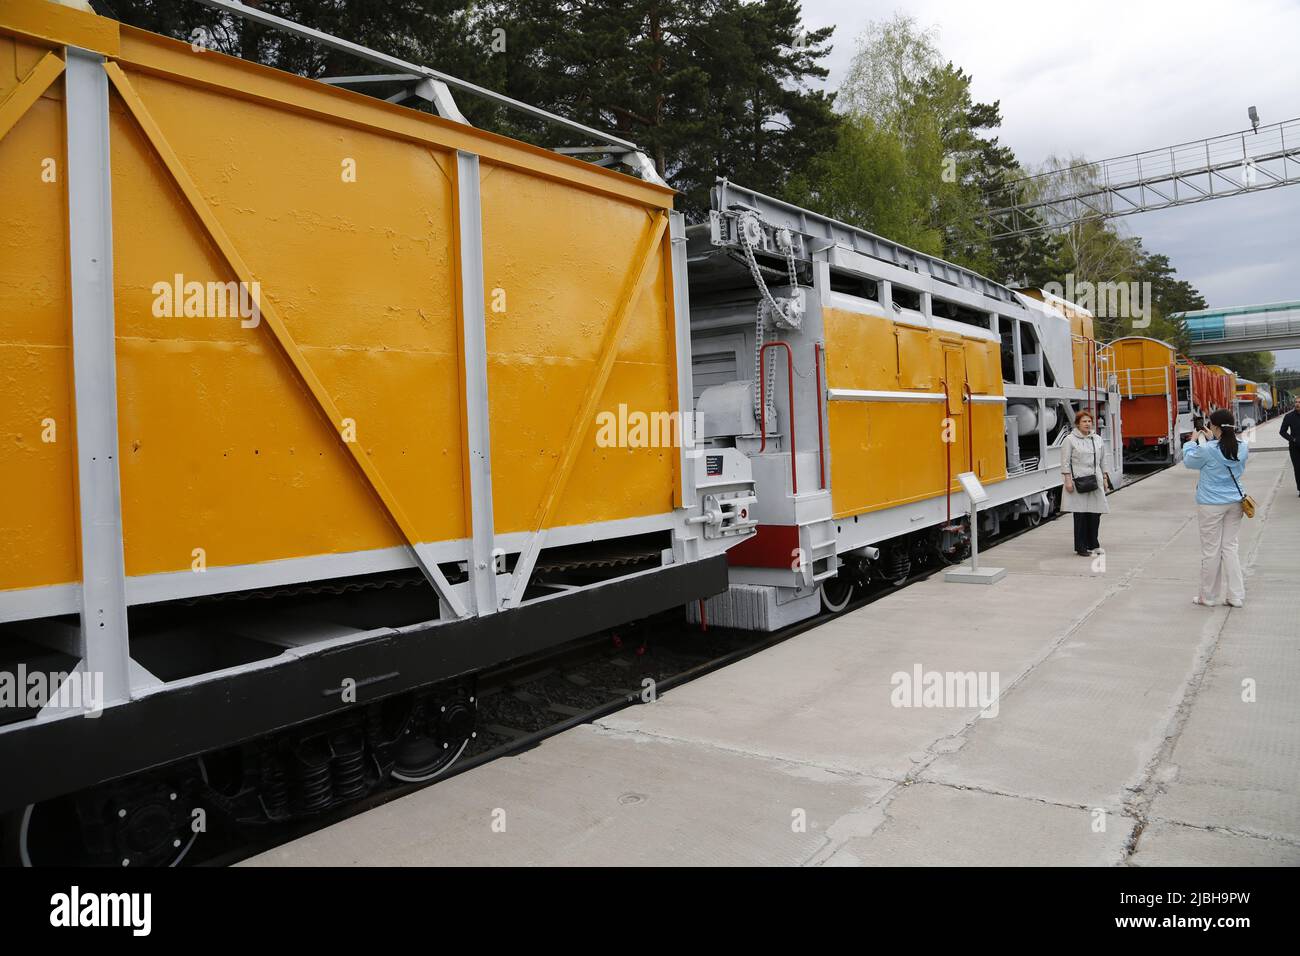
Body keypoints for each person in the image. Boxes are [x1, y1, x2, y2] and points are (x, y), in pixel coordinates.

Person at [1183, 408, 1249, 608]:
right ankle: (1236, 596)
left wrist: (1191, 442)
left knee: (1211, 550)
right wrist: (1215, 438)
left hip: (1211, 504)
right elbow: (1226, 449)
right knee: (1230, 548)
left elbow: (1189, 462)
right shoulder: (1243, 447)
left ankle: (1208, 596)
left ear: (1215, 426)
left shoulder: (1208, 449)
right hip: (1235, 503)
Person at [1060, 410, 1113, 557]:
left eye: (1089, 421)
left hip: (1095, 479)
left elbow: (1103, 460)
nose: (1087, 424)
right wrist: (1068, 481)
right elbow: (1065, 462)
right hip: (1078, 481)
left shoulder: (1097, 439)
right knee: (1080, 515)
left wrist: (1105, 477)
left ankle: (1093, 544)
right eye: (1084, 421)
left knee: (1095, 513)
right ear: (1077, 424)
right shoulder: (1069, 440)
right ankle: (1081, 547)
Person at [1280, 395, 1300, 496]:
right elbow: (1282, 432)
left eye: (1299, 402)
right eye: (1296, 402)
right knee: (1298, 468)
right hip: (1295, 447)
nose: (1297, 404)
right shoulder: (1289, 417)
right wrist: (1292, 439)